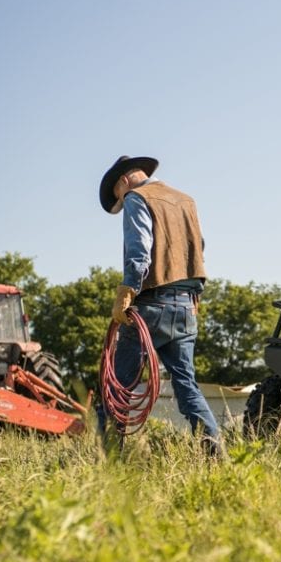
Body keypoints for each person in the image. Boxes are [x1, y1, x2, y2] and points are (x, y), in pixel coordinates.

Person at [98, 155, 221, 455]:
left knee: (116, 389)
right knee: (187, 385)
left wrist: (127, 292)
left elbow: (139, 250)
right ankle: (216, 453)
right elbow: (198, 249)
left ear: (124, 181)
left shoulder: (136, 198)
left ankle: (110, 464)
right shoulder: (185, 200)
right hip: (186, 307)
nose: (123, 199)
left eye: (120, 194)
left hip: (151, 307)